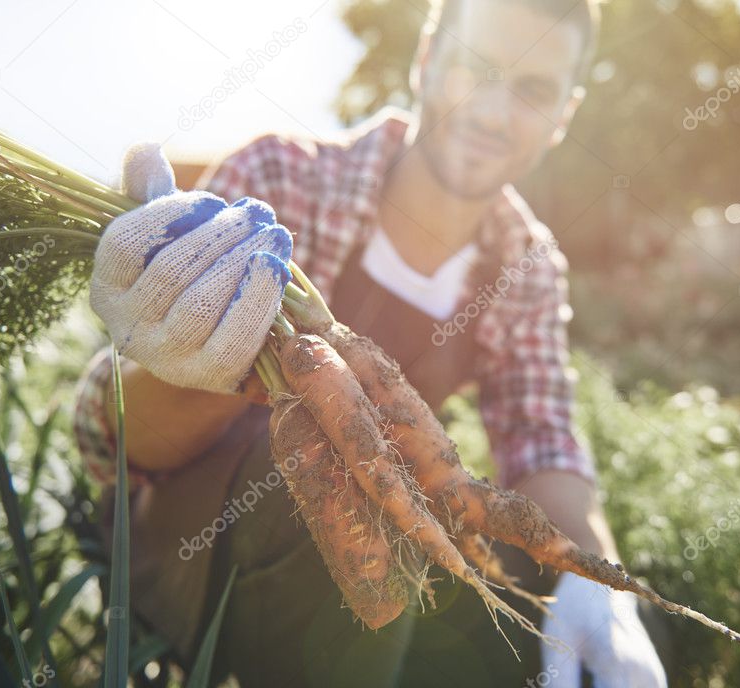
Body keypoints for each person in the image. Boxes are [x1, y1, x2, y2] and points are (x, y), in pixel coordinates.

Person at [74, 0, 668, 686]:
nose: (495, 113)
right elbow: (114, 435)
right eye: (476, 70)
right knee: (337, 472)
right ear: (424, 62)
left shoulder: (522, 262)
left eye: (533, 91)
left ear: (565, 113)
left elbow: (542, 439)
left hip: (366, 571)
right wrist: (181, 354)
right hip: (184, 547)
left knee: (572, 610)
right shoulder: (282, 180)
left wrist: (598, 586)